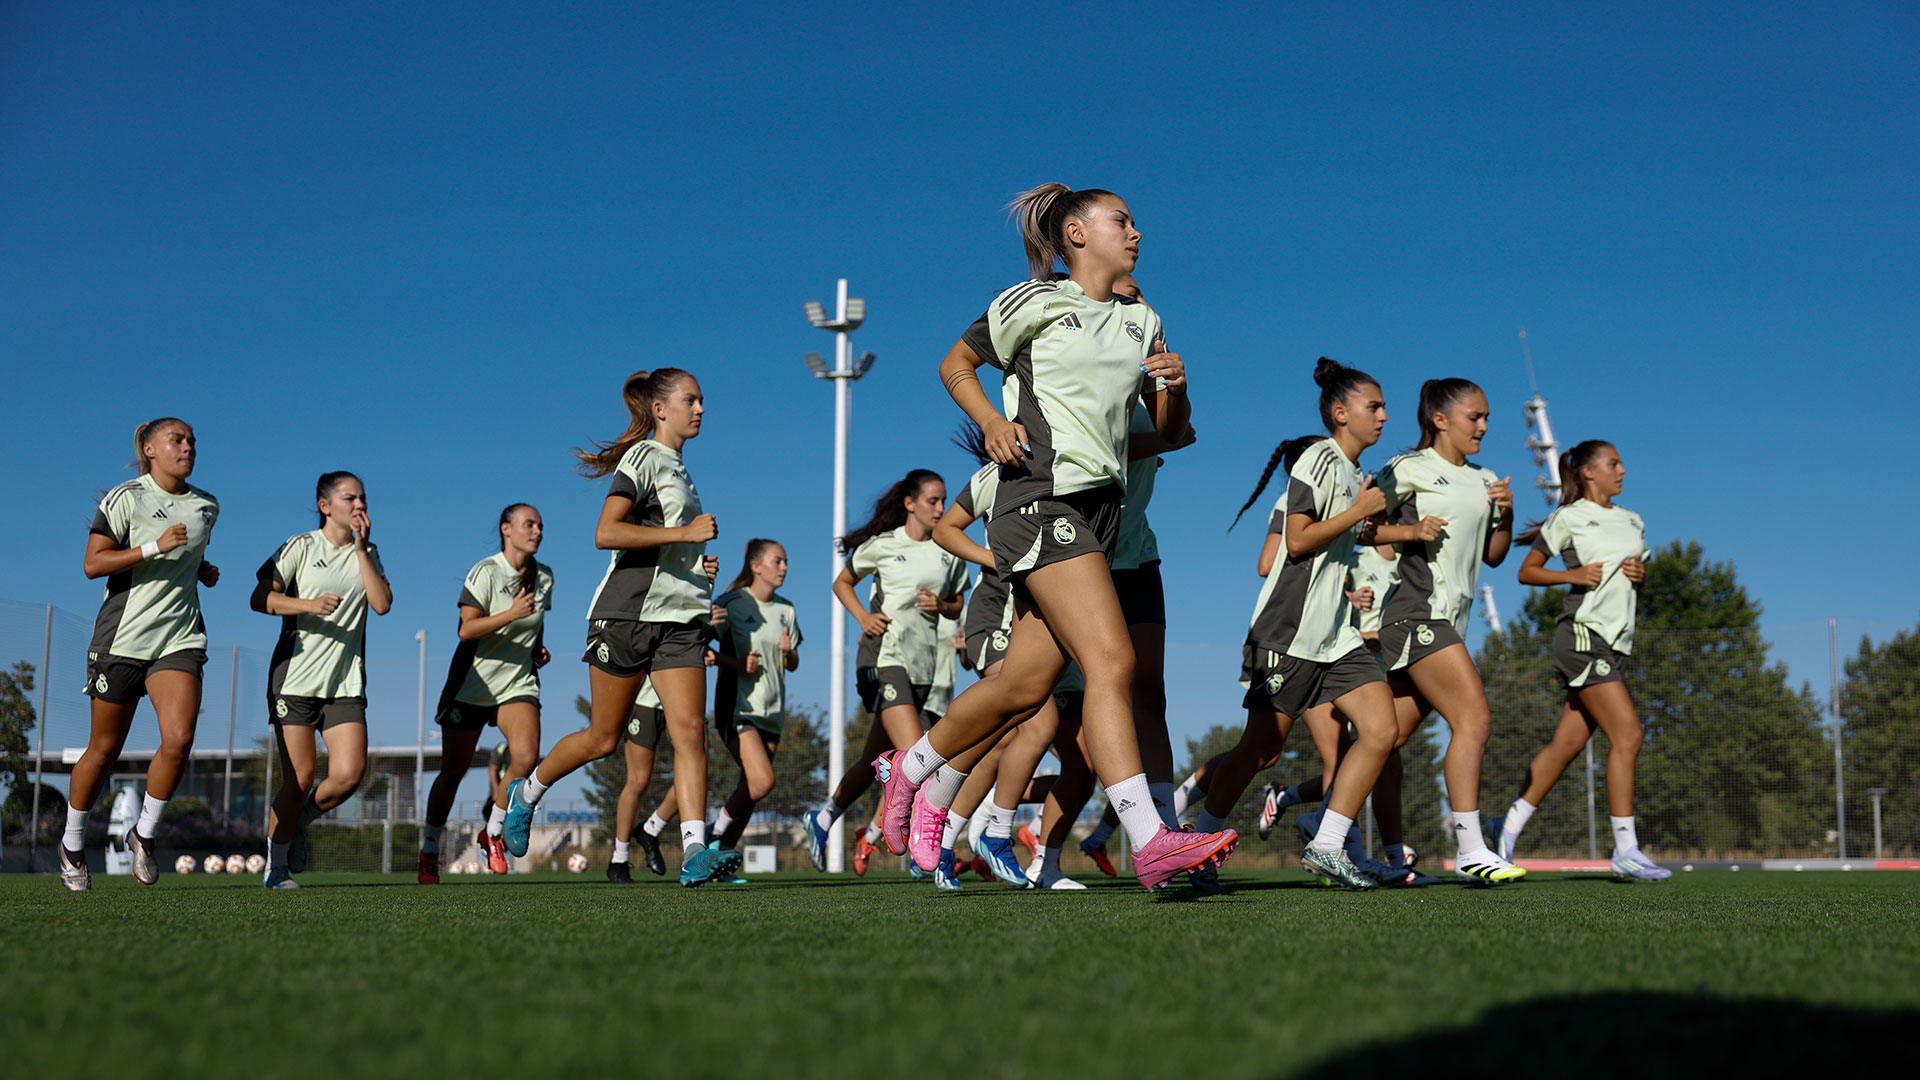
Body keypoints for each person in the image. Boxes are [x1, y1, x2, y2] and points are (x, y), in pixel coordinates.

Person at [874, 182, 1235, 894]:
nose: (1137, 232)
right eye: (1122, 221)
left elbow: (1171, 434)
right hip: (1038, 498)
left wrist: (1177, 386)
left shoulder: (1144, 322)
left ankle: (908, 769)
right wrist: (991, 421)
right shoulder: (1031, 302)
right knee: (1113, 662)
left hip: (1101, 513)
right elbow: (954, 363)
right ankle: (1149, 840)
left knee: (1022, 686)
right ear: (1076, 234)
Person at [501, 368, 739, 887]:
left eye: (702, 401)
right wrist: (685, 534)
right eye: (691, 400)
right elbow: (606, 532)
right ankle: (528, 792)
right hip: (626, 615)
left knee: (691, 734)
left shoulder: (682, 471)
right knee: (602, 738)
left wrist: (694, 566)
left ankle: (694, 852)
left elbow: (666, 546)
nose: (701, 409)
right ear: (661, 409)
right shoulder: (643, 458)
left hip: (680, 623)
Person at [1197, 359, 1398, 891]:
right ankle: (1198, 846)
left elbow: (1342, 538)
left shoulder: (1354, 472)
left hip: (1337, 637)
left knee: (1382, 730)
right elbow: (1299, 539)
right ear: (1341, 413)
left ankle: (1327, 845)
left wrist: (1390, 528)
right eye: (1374, 406)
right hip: (1290, 631)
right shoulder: (1317, 457)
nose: (1384, 416)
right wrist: (1359, 513)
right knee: (1260, 753)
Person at [1366, 379, 1526, 884]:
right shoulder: (1408, 468)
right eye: (1474, 417)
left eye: (1486, 417)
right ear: (1440, 419)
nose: (1484, 426)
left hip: (1447, 623)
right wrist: (1410, 531)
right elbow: (1361, 526)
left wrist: (1506, 514)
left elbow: (1493, 556)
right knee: (1474, 720)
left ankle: (1326, 823)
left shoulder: (1485, 479)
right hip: (1416, 614)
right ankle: (1471, 849)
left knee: (1386, 738)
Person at [1490, 440, 1670, 881]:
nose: (1623, 470)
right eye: (1614, 463)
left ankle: (1504, 830)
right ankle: (1626, 849)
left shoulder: (1633, 520)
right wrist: (1572, 575)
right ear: (1589, 472)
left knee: (1566, 746)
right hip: (1582, 638)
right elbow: (1526, 571)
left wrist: (1640, 575)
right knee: (1628, 735)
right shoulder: (1568, 518)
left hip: (1617, 644)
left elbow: (1633, 572)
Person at [62, 418, 221, 891]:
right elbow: (93, 563)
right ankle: (72, 843)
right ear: (150, 449)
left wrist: (200, 569)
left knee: (179, 738)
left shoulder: (207, 506)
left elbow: (185, 558)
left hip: (179, 638)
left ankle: (145, 835)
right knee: (104, 750)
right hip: (122, 640)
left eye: (192, 441)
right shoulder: (125, 497)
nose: (188, 447)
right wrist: (155, 545)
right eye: (177, 440)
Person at [801, 470, 966, 871]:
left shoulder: (948, 550)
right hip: (883, 658)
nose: (940, 509)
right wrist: (863, 618)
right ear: (910, 503)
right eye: (932, 501)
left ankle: (822, 819)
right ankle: (933, 855)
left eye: (944, 501)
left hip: (925, 668)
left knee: (873, 758)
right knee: (920, 758)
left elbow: (958, 602)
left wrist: (943, 606)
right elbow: (843, 582)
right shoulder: (883, 545)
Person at [255, 471, 393, 888]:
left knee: (349, 775)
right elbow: (260, 597)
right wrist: (309, 605)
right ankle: (276, 867)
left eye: (363, 498)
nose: (360, 505)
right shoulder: (300, 546)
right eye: (350, 498)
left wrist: (361, 550)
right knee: (298, 780)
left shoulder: (368, 552)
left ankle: (299, 821)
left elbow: (382, 604)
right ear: (324, 506)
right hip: (294, 681)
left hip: (345, 684)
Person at [645, 539, 802, 864]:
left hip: (773, 713)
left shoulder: (787, 610)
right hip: (738, 708)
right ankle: (713, 834)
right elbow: (698, 647)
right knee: (762, 781)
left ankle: (721, 858)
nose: (785, 567)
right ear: (756, 566)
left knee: (751, 792)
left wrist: (789, 653)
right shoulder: (731, 603)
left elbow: (793, 664)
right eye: (777, 561)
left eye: (786, 561)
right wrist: (735, 663)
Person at [419, 504, 553, 884]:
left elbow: (537, 621)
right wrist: (511, 614)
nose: (537, 531)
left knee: (524, 758)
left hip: (516, 682)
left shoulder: (545, 577)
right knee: (453, 772)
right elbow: (466, 630)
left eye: (540, 526)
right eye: (529, 524)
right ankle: (430, 849)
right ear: (506, 529)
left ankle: (492, 833)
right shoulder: (486, 572)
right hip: (472, 684)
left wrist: (536, 649)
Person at [610, 676, 669, 881]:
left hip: (683, 701)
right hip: (645, 702)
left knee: (694, 778)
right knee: (638, 781)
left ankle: (651, 829)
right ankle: (619, 860)